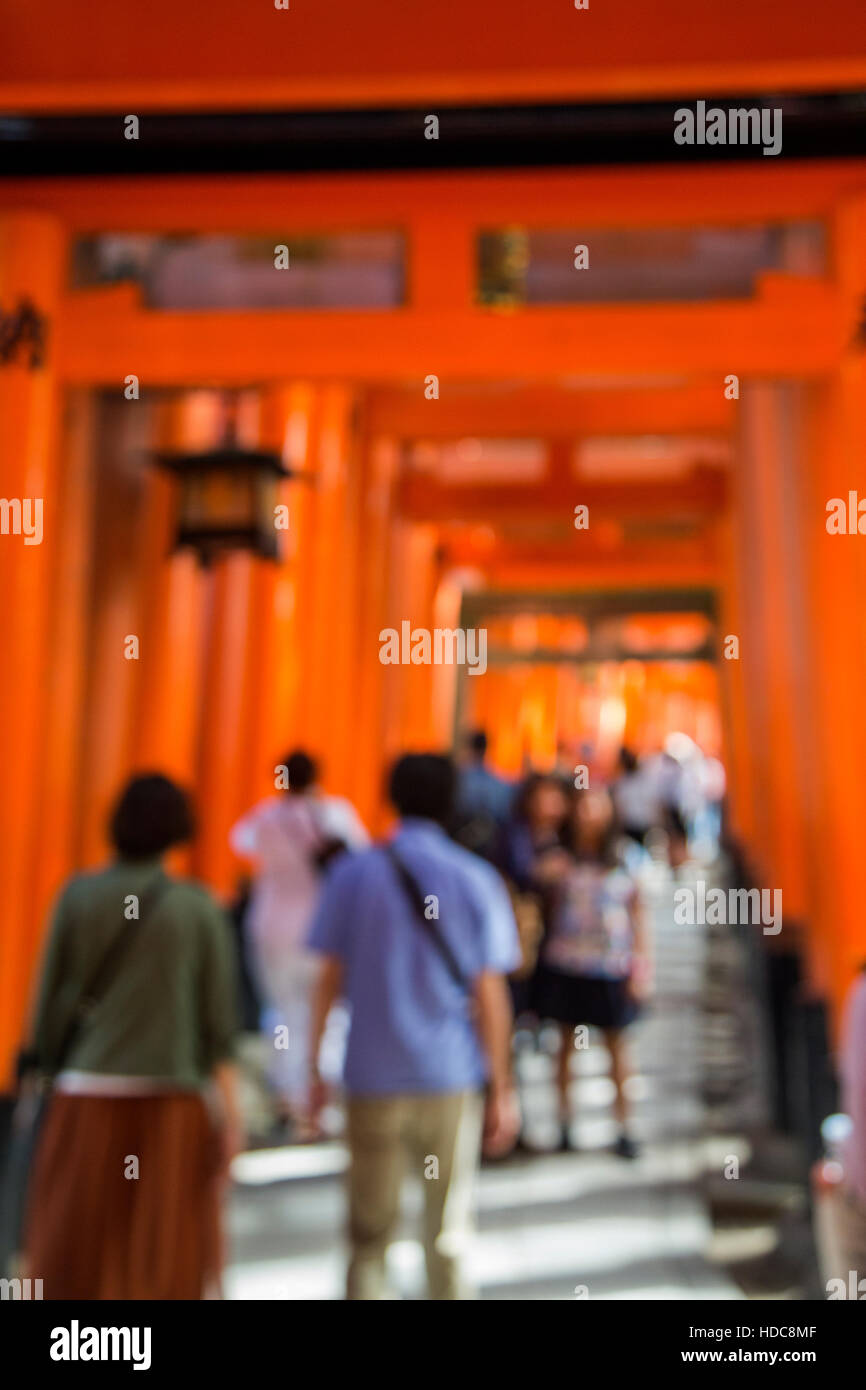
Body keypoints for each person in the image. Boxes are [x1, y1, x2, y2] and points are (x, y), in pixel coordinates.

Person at [307, 753, 520, 1300]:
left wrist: (311, 1069)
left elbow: (327, 979)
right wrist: (502, 1086)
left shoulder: (352, 875)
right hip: (448, 1077)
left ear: (390, 797)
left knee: (368, 1234)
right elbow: (490, 995)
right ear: (452, 804)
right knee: (447, 1234)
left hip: (371, 1075)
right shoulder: (475, 879)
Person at [22, 774, 241, 1299]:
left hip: (86, 1097)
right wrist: (231, 1121)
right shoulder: (199, 909)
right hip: (173, 1104)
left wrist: (43, 1075)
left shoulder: (77, 897)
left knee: (78, 1253)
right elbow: (218, 1032)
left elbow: (47, 1012)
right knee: (162, 1255)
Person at [229, 750, 369, 1137]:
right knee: (328, 1011)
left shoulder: (267, 816)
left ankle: (289, 1094)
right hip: (322, 929)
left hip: (273, 928)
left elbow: (239, 841)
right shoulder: (334, 815)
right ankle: (321, 1095)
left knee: (282, 1012)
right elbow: (359, 857)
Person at [533, 786, 651, 1158]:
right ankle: (565, 1122)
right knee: (565, 1045)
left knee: (617, 1046)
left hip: (610, 964)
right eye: (582, 805)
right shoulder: (558, 858)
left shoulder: (626, 858)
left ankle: (624, 1125)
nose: (588, 812)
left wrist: (641, 967)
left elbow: (639, 916)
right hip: (566, 961)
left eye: (595, 804)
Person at [452, 729, 513, 860]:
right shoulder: (500, 781)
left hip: (460, 843)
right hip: (490, 845)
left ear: (469, 747)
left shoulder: (459, 777)